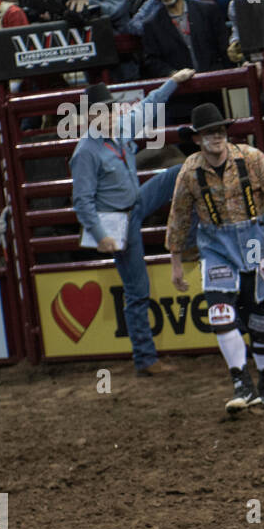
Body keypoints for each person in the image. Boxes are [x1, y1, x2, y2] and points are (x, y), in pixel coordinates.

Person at [166, 101, 264, 411]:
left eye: (219, 131)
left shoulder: (252, 159)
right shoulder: (190, 171)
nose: (216, 137)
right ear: (197, 139)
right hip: (218, 246)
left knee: (263, 317)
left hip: (259, 240)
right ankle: (241, 381)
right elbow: (180, 217)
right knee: (220, 311)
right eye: (208, 133)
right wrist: (176, 262)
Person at [69, 70, 195, 376]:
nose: (109, 116)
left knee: (183, 170)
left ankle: (191, 240)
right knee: (137, 289)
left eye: (110, 110)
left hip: (134, 204)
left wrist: (173, 82)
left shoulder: (119, 129)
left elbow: (149, 105)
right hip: (116, 222)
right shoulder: (85, 152)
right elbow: (82, 201)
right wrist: (100, 235)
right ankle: (145, 358)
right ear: (89, 119)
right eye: (101, 113)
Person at [140, 0, 229, 76]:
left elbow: (223, 45)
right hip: (180, 88)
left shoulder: (207, 11)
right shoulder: (152, 25)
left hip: (214, 80)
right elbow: (152, 60)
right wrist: (172, 74)